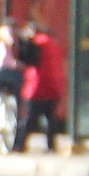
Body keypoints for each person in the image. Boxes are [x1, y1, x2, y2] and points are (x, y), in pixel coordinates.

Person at [12, 19, 63, 152]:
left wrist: (23, 40)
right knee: (50, 118)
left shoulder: (37, 43)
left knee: (29, 118)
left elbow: (27, 59)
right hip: (54, 86)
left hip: (37, 86)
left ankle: (19, 145)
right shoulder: (53, 43)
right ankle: (51, 146)